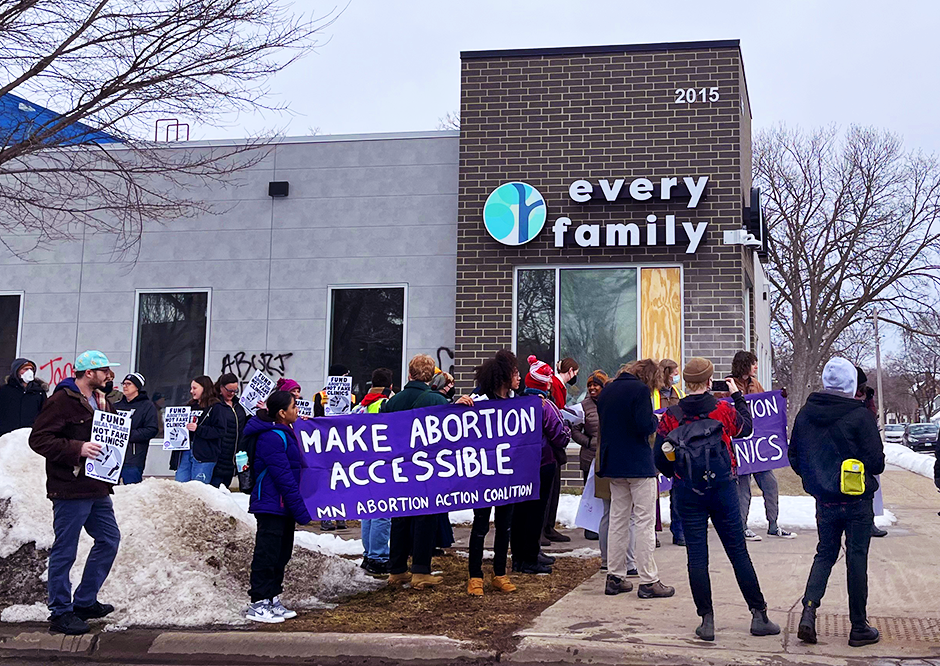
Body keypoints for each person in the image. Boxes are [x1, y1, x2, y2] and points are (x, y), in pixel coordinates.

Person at [654, 357, 779, 642]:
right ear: (710, 381)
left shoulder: (672, 415)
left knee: (697, 556)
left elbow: (659, 457)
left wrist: (678, 473)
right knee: (738, 552)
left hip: (688, 491)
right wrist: (738, 396)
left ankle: (707, 620)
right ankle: (759, 615)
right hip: (723, 488)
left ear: (686, 383)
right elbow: (746, 428)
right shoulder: (722, 409)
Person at [789, 357, 884, 648]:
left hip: (825, 500)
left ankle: (809, 611)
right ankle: (859, 627)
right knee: (856, 558)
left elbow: (795, 457)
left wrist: (818, 478)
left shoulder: (805, 414)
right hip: (857, 502)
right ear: (852, 384)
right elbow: (877, 463)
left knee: (825, 554)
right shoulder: (860, 416)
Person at [28, 350, 122, 635]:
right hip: (69, 487)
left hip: (97, 486)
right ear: (89, 373)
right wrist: (77, 448)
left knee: (109, 539)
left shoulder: (101, 400)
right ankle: (60, 612)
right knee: (65, 549)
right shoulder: (61, 401)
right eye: (104, 371)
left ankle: (84, 601)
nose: (109, 375)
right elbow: (39, 439)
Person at [596, 360, 674, 599]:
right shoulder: (640, 391)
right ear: (650, 377)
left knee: (618, 520)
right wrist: (655, 421)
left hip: (614, 463)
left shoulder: (607, 390)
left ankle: (615, 576)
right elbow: (644, 426)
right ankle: (649, 580)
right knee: (644, 521)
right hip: (638, 464)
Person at [244, 390, 313, 623]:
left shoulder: (286, 431)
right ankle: (258, 603)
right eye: (294, 407)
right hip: (271, 504)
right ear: (282, 413)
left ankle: (272, 598)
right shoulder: (272, 437)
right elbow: (283, 477)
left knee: (281, 554)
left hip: (283, 505)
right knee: (267, 554)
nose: (297, 410)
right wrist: (301, 511)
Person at [382, 354, 450, 589]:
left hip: (400, 467)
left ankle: (397, 570)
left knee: (400, 516)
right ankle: (420, 570)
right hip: (426, 468)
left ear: (409, 374)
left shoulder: (393, 402)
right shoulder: (437, 400)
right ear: (431, 376)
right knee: (425, 517)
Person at [463, 350, 520, 596]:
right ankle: (475, 576)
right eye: (515, 372)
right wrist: (458, 406)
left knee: (505, 526)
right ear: (504, 375)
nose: (519, 377)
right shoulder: (479, 401)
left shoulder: (518, 403)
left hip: (508, 475)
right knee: (480, 525)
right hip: (484, 476)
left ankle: (499, 573)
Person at [512, 356, 570, 574]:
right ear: (545, 384)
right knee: (536, 512)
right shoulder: (546, 406)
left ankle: (520, 556)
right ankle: (530, 557)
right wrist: (567, 428)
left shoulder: (515, 404)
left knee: (519, 512)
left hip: (519, 465)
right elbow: (559, 436)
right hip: (542, 462)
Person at [729, 351, 794, 541]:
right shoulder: (728, 385)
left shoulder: (755, 384)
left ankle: (773, 524)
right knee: (743, 490)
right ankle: (742, 527)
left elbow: (766, 408)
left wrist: (780, 398)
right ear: (744, 365)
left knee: (770, 485)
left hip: (758, 448)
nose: (756, 367)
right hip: (740, 448)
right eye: (753, 364)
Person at [355, 368, 394, 575]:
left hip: (363, 465)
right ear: (390, 385)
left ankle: (369, 554)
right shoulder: (386, 405)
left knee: (369, 512)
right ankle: (378, 557)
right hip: (382, 465)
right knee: (382, 513)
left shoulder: (360, 407)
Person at [543, 357, 578, 544]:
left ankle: (548, 526)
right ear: (570, 371)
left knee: (554, 488)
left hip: (554, 441)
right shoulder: (556, 386)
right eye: (575, 373)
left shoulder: (559, 386)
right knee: (548, 489)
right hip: (550, 444)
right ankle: (544, 527)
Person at [571, 370, 608, 540]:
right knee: (590, 494)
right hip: (589, 457)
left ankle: (605, 526)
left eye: (596, 385)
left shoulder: (610, 403)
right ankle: (590, 528)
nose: (592, 388)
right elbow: (574, 430)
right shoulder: (582, 406)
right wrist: (588, 442)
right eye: (590, 385)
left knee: (606, 494)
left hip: (606, 457)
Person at [856, 367, 888, 538]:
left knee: (870, 488)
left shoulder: (867, 398)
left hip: (867, 446)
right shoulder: (847, 400)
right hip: (853, 447)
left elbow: (872, 415)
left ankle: (870, 522)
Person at [174, 375, 224, 484]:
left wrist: (198, 429)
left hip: (204, 454)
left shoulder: (216, 407)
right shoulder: (189, 406)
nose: (191, 391)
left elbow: (220, 431)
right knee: (180, 485)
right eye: (191, 388)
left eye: (195, 388)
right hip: (185, 450)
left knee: (198, 488)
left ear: (204, 388)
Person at [659, 359, 685, 547]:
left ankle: (679, 532)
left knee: (677, 491)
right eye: (674, 372)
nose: (677, 375)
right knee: (651, 494)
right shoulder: (652, 394)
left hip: (676, 445)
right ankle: (652, 533)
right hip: (656, 443)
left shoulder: (679, 394)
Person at [114, 373, 158, 485]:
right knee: (110, 491)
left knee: (132, 490)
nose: (125, 386)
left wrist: (127, 435)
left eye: (128, 384)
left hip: (133, 458)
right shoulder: (116, 406)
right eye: (123, 384)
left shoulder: (147, 406)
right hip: (113, 456)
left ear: (137, 387)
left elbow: (152, 429)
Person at [211, 373, 249, 490]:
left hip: (234, 457)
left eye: (235, 391)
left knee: (225, 490)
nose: (232, 393)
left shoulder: (238, 406)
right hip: (219, 456)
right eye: (229, 390)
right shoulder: (215, 405)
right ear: (221, 388)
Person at [0, 358, 47, 437]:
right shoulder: (4, 391)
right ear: (16, 371)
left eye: (31, 369)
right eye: (25, 369)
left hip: (30, 435)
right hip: (7, 436)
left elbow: (44, 414)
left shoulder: (39, 392)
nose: (29, 372)